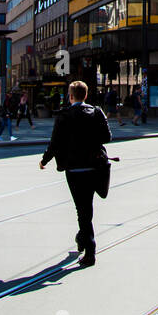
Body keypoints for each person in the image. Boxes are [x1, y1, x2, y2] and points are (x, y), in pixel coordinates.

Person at [39, 80, 111, 267]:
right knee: (86, 208)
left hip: (74, 169)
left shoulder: (64, 115)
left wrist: (44, 160)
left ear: (71, 96)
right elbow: (107, 137)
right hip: (94, 167)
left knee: (82, 210)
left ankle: (90, 249)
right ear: (85, 95)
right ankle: (82, 238)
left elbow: (54, 143)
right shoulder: (96, 112)